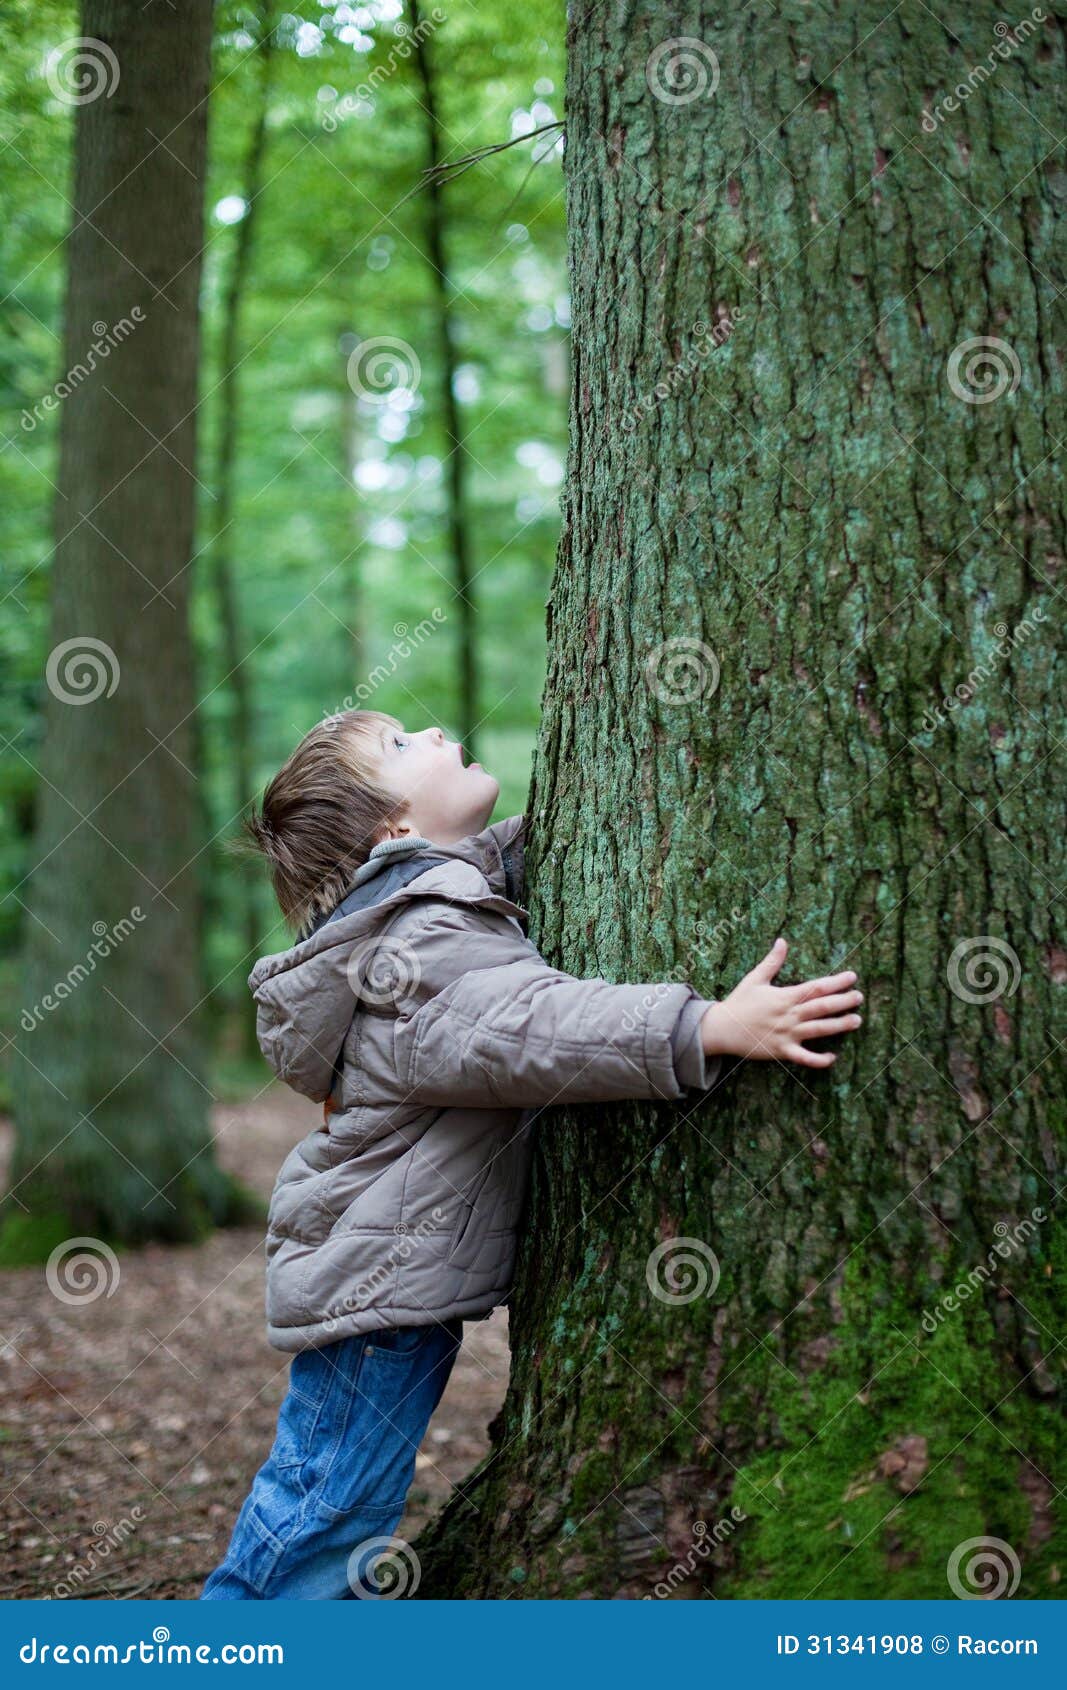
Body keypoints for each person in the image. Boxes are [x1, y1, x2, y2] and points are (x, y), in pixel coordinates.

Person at [201, 709, 863, 1599]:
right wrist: (703, 1025)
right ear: (392, 830)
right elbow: (530, 1028)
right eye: (402, 745)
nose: (434, 730)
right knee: (325, 1504)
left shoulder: (423, 912)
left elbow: (487, 883)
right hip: (374, 1286)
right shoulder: (414, 945)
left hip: (382, 1274)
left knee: (332, 1497)